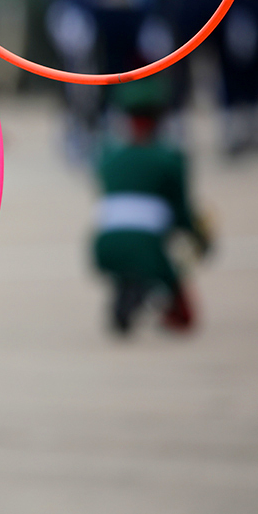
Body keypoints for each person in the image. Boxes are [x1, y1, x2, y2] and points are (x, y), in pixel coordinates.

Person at [92, 75, 212, 337]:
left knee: (131, 244)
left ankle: (129, 283)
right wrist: (202, 239)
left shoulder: (109, 156)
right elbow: (181, 212)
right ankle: (148, 286)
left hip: (104, 246)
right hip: (148, 248)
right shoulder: (170, 158)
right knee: (184, 317)